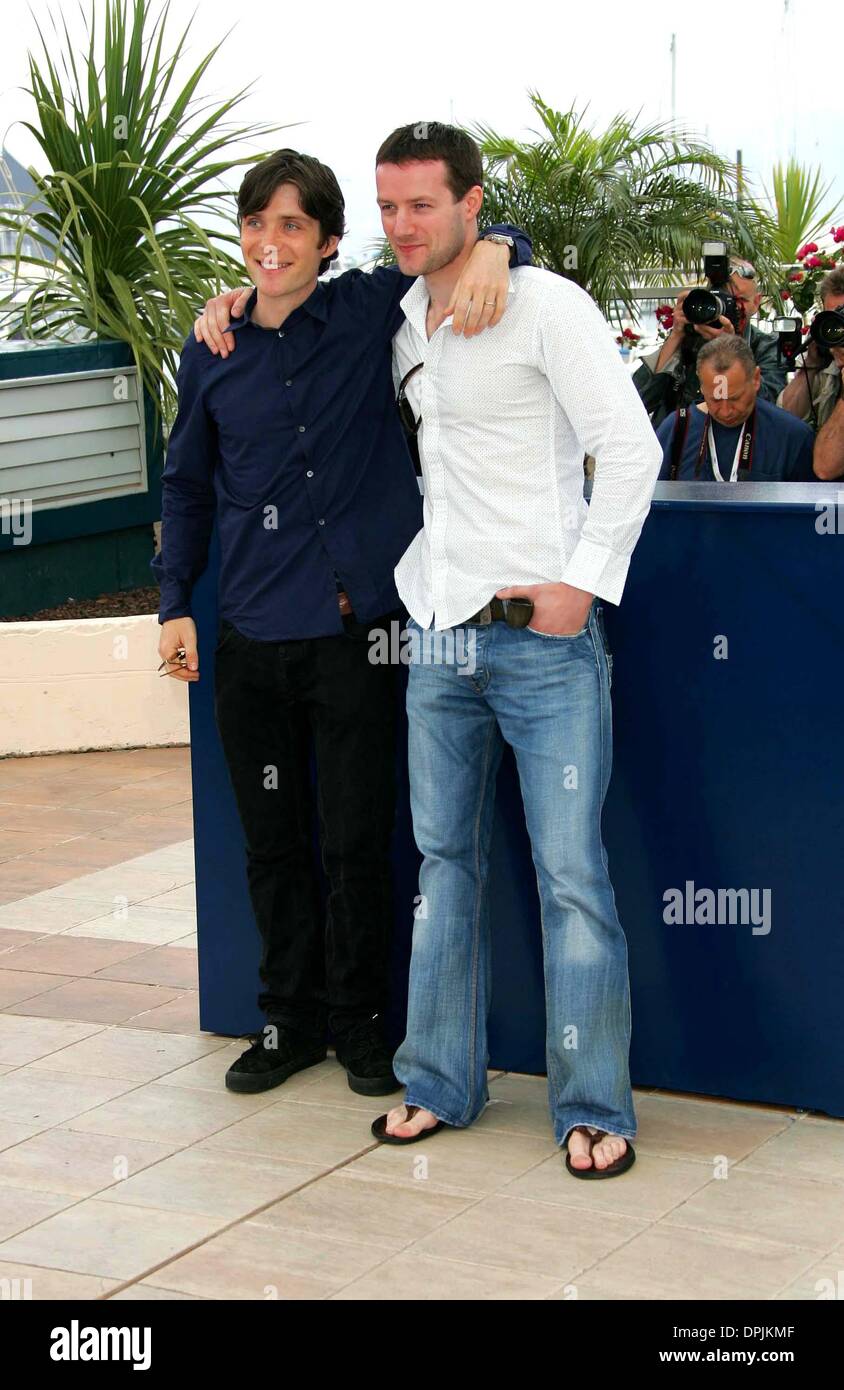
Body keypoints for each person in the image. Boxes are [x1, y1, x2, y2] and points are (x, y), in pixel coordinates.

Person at [154, 147, 530, 1098]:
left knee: (360, 838)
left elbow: (453, 245)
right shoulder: (212, 349)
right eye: (254, 224)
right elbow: (187, 488)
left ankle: (363, 1025)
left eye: (291, 226)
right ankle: (289, 1021)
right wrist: (173, 605)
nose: (269, 244)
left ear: (326, 242)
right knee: (274, 842)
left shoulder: (368, 310)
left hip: (360, 634)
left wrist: (498, 250)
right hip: (248, 636)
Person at [369, 122, 663, 1178]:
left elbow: (631, 450)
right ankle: (438, 1082)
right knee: (443, 868)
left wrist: (581, 587)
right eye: (389, 205)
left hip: (544, 650)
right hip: (436, 638)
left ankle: (594, 1107)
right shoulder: (395, 317)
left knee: (571, 874)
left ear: (472, 204)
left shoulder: (543, 304)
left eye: (423, 206)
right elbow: (288, 303)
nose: (403, 225)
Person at [633, 257, 787, 427]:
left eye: (739, 301)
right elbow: (638, 402)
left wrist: (731, 349)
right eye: (721, 299)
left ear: (756, 303)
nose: (730, 308)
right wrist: (676, 336)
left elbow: (767, 405)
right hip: (680, 444)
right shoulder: (687, 340)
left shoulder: (766, 345)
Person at [655, 336, 815, 482]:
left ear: (756, 379)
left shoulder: (792, 435)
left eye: (735, 398)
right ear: (701, 386)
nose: (725, 411)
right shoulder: (676, 429)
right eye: (715, 400)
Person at [778, 268, 844, 480]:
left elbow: (827, 467)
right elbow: (785, 421)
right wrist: (812, 363)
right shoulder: (827, 364)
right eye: (834, 316)